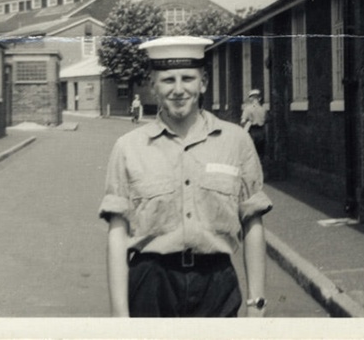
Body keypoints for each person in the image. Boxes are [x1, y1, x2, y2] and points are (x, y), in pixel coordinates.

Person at [99, 36, 272, 318]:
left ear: (203, 82)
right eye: (168, 80)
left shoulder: (236, 141)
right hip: (151, 284)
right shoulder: (128, 148)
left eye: (187, 79)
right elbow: (117, 233)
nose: (178, 90)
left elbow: (253, 222)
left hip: (216, 283)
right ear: (153, 86)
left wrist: (257, 304)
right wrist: (120, 317)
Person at [240, 89, 267, 159]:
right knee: (260, 153)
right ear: (259, 98)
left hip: (252, 131)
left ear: (251, 98)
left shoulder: (247, 109)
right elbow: (265, 120)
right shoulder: (263, 109)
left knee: (251, 153)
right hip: (262, 131)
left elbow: (243, 121)